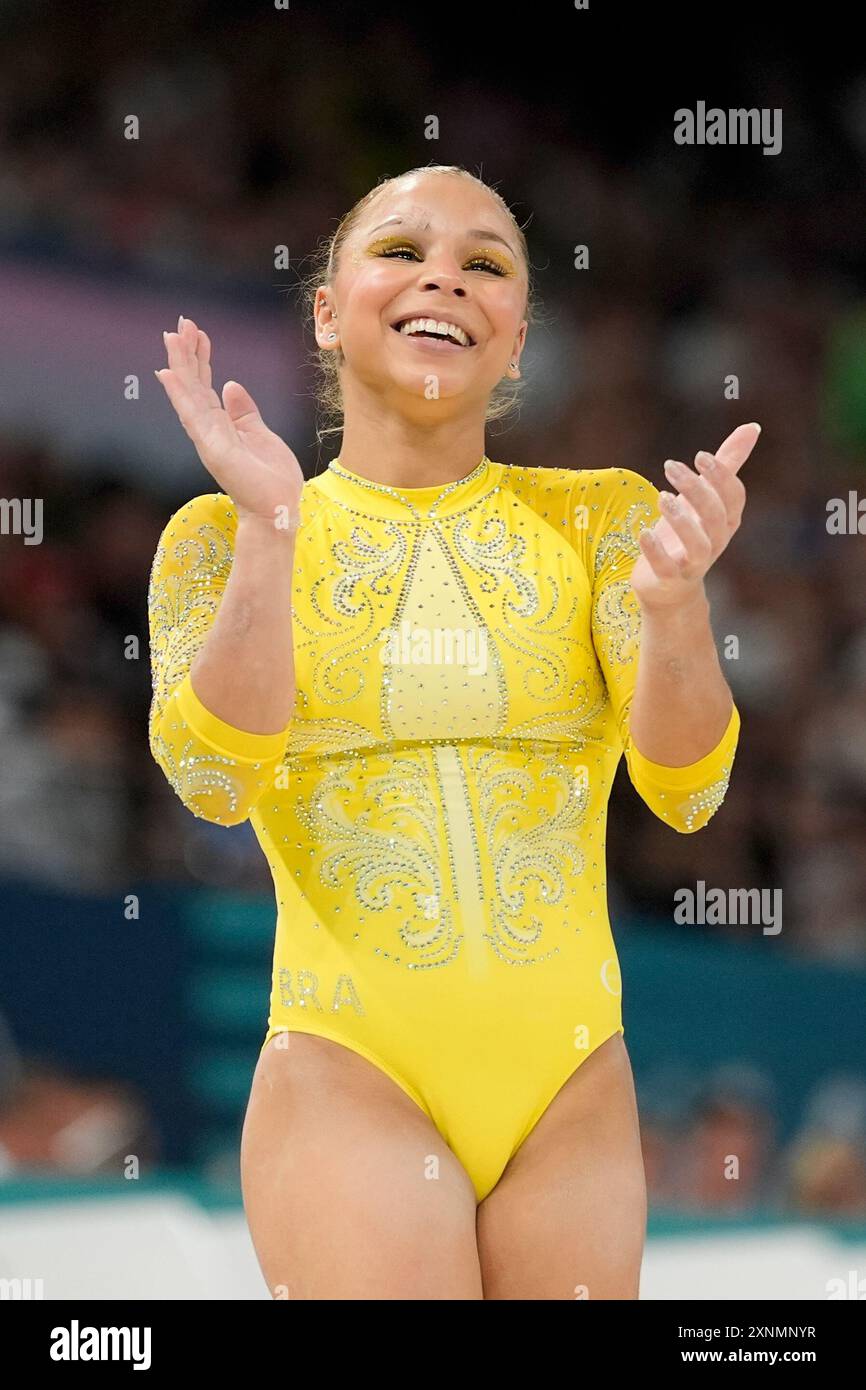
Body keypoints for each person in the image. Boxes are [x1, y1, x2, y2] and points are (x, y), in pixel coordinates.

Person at [149, 163, 756, 1299]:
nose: (445, 276)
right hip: (351, 1071)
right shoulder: (217, 533)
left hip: (570, 1084)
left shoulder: (600, 522)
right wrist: (272, 535)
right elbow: (209, 777)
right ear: (326, 311)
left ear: (517, 337)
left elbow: (688, 791)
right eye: (401, 250)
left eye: (485, 264)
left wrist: (674, 616)